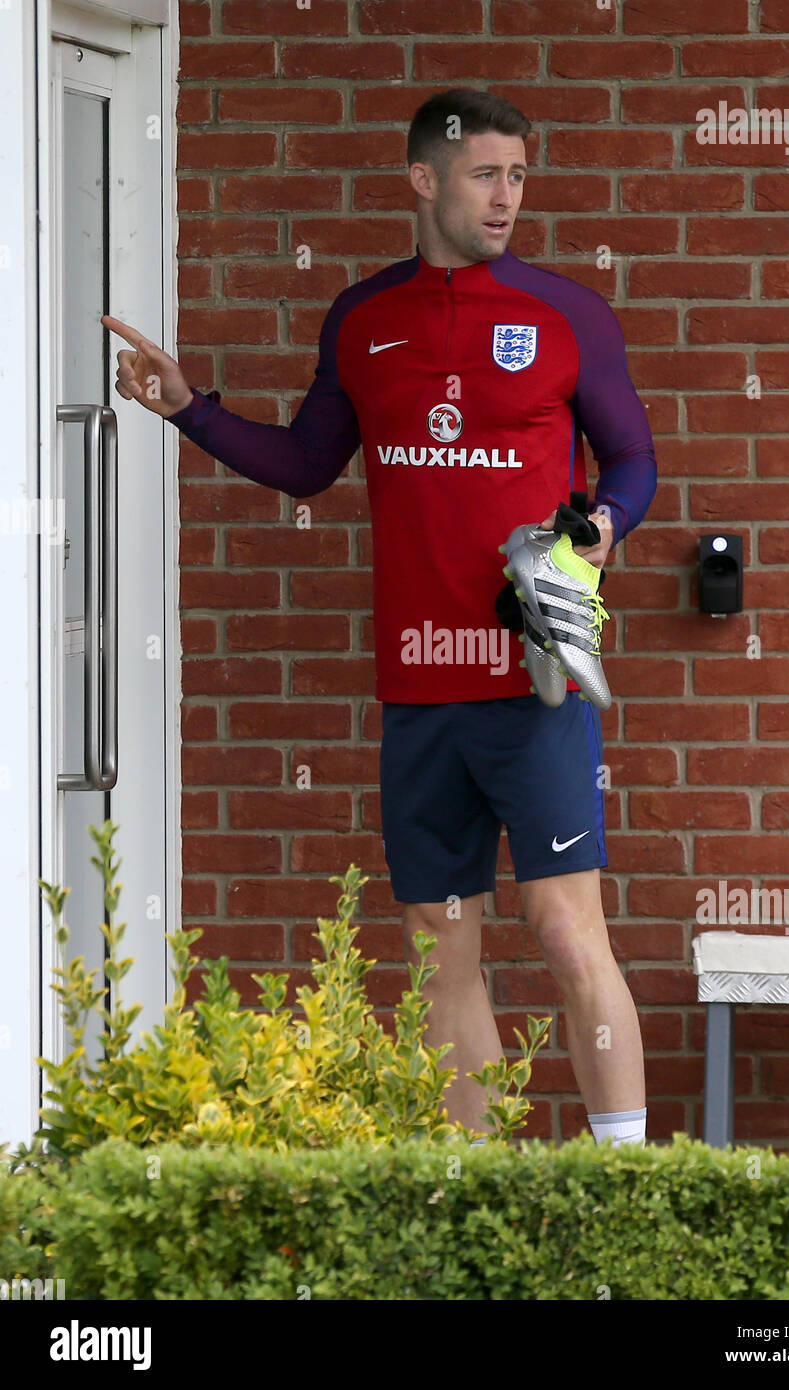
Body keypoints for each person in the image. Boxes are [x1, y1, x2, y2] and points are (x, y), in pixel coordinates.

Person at [102, 88, 657, 1149]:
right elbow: (313, 463)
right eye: (486, 174)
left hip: (530, 680)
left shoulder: (565, 313)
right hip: (416, 689)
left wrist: (602, 530)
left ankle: (622, 1182)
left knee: (564, 927)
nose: (506, 198)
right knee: (440, 942)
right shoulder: (363, 317)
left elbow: (632, 459)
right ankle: (474, 1189)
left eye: (519, 176)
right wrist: (191, 410)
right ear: (424, 179)